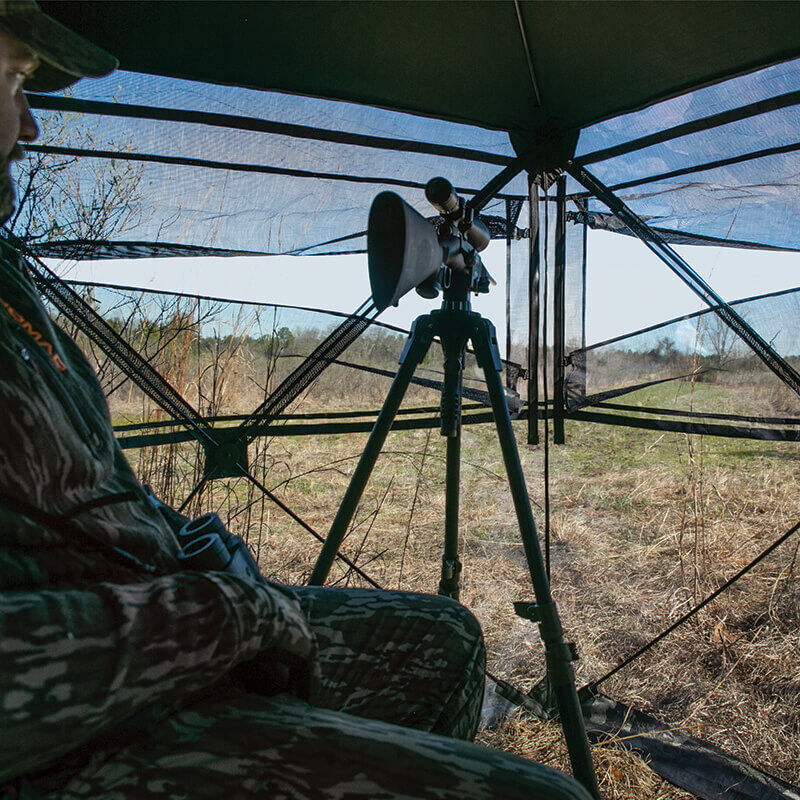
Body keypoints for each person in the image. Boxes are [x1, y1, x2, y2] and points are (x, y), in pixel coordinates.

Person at [0, 4, 592, 798]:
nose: (30, 124)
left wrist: (193, 548)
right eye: (10, 81)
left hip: (144, 608)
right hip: (76, 720)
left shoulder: (11, 287)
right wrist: (228, 615)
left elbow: (90, 485)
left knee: (446, 635)